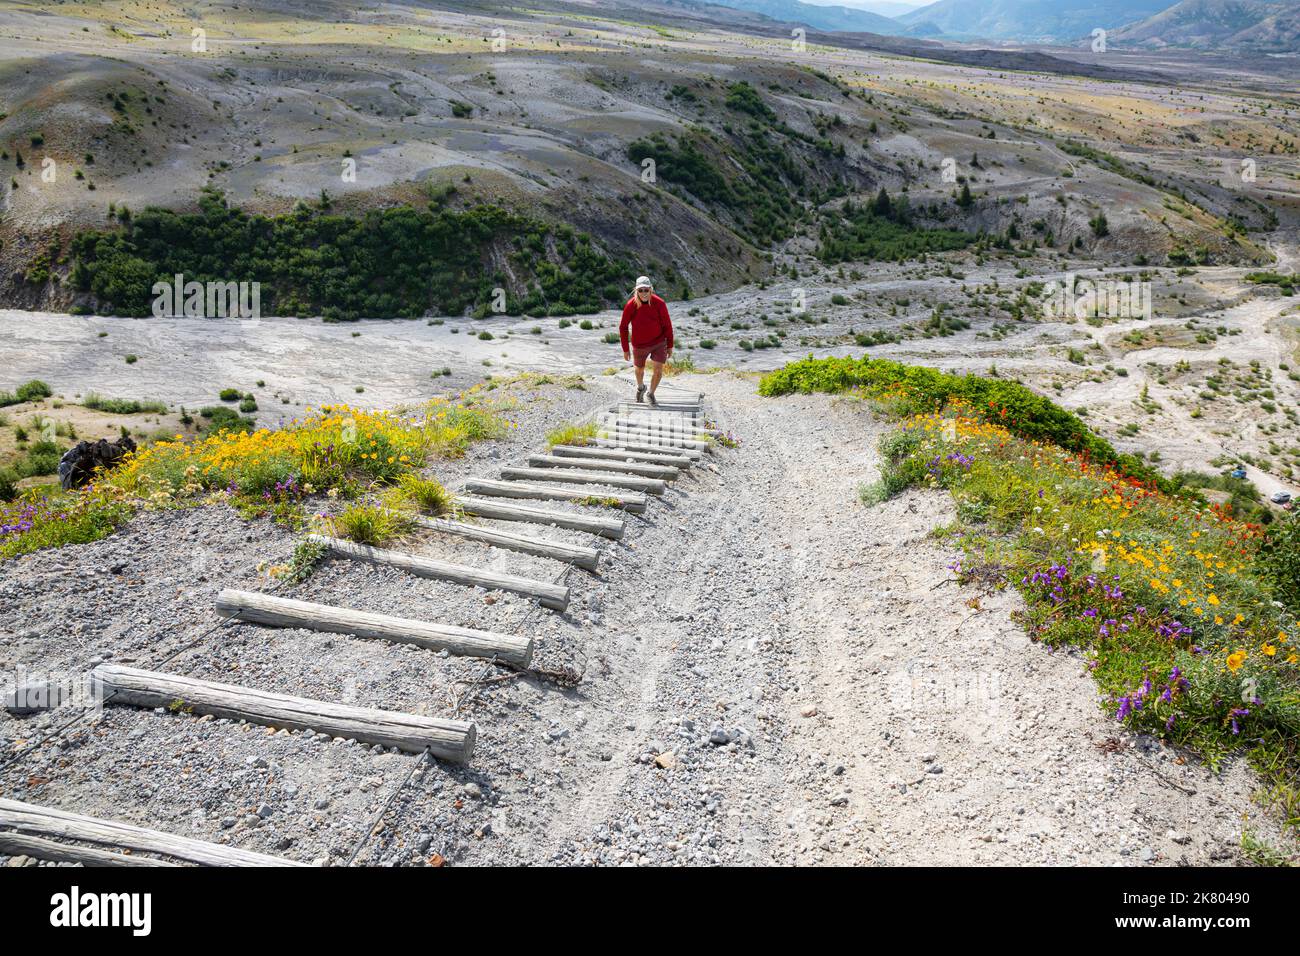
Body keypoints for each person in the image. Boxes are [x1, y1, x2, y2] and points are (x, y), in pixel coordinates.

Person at [619, 276, 673, 405]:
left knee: (658, 370)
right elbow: (623, 327)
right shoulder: (630, 305)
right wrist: (625, 349)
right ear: (636, 291)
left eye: (646, 290)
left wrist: (670, 345)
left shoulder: (659, 303)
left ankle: (651, 393)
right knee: (639, 369)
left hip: (658, 342)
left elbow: (667, 325)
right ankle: (641, 388)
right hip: (639, 344)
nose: (643, 293)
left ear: (651, 290)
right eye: (640, 290)